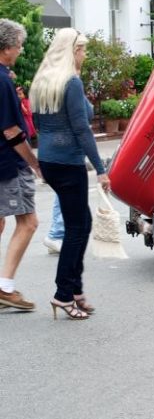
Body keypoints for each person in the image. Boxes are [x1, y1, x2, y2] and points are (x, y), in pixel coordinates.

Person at [30, 28, 110, 320]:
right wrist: (100, 169)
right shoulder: (71, 82)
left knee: (82, 224)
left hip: (50, 160)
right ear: (73, 51)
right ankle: (63, 294)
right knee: (76, 230)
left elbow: (38, 124)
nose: (85, 55)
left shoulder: (42, 81)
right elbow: (81, 128)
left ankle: (74, 290)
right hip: (68, 163)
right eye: (83, 50)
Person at [0, 19, 39, 311]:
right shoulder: (2, 80)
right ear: (6, 48)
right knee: (28, 223)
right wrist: (35, 164)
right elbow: (11, 131)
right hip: (7, 163)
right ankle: (5, 287)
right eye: (18, 45)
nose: (20, 50)